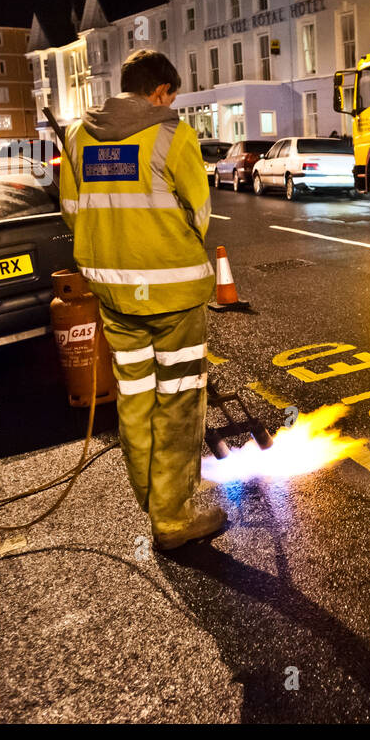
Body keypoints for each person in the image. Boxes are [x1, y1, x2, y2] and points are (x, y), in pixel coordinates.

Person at [58, 50, 225, 551]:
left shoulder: (78, 136)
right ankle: (172, 518)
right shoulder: (173, 134)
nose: (170, 104)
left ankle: (154, 497)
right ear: (159, 92)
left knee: (135, 396)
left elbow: (72, 211)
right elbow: (199, 212)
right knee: (177, 399)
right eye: (170, 96)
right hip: (173, 292)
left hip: (113, 292)